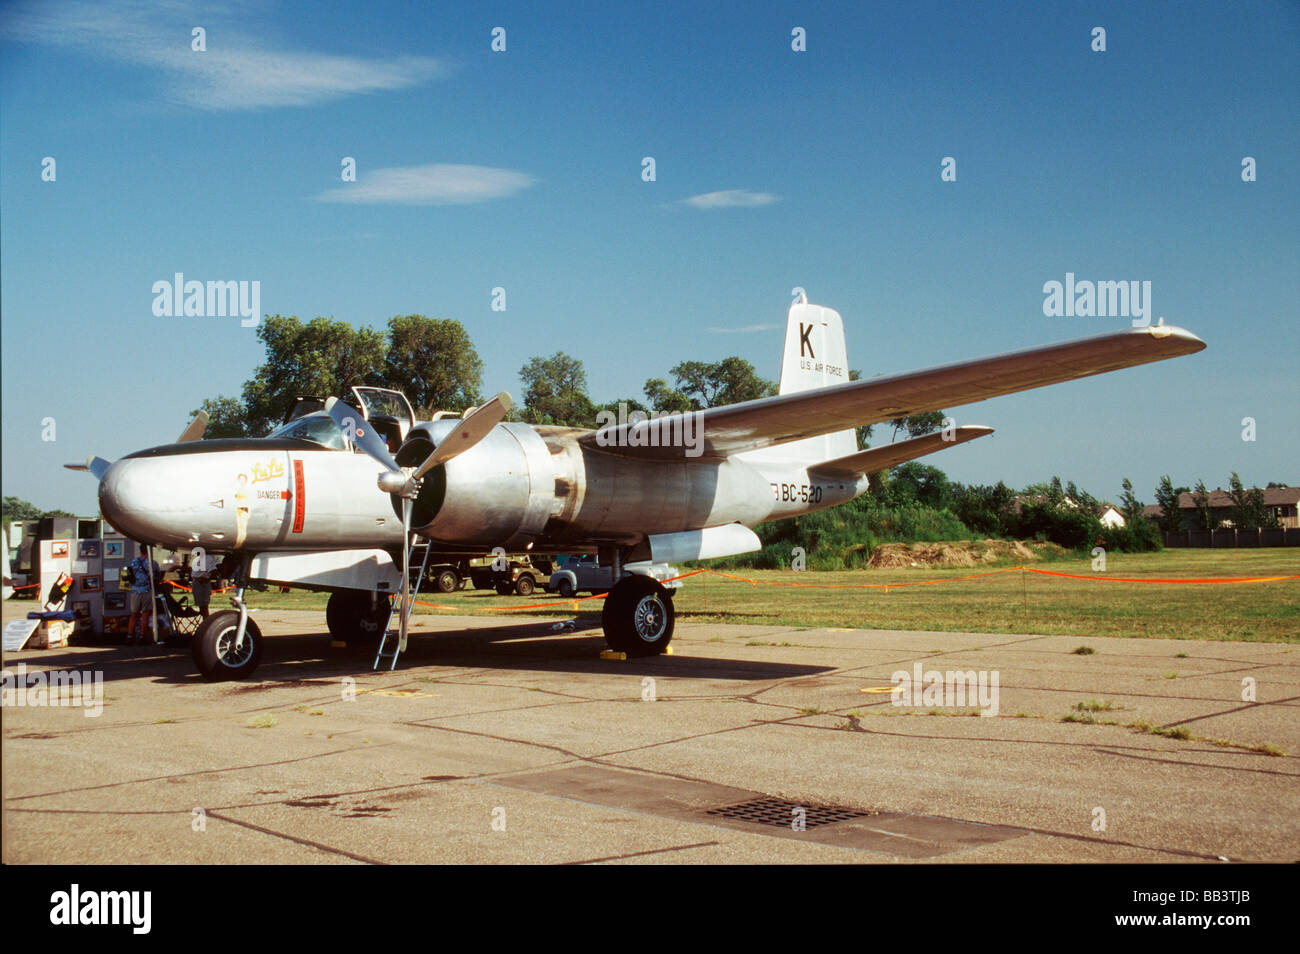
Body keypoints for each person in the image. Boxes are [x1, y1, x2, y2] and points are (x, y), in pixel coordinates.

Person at [126, 544, 161, 642]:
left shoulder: (134, 562)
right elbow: (157, 575)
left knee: (134, 614)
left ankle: (129, 635)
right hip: (147, 590)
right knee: (145, 614)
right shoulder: (153, 563)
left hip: (135, 590)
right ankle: (142, 635)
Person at [189, 549, 215, 618]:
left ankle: (206, 620)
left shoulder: (208, 558)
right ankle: (205, 619)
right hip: (196, 582)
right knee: (201, 605)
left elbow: (213, 571)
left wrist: (206, 579)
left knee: (204, 605)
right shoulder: (198, 559)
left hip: (202, 583)